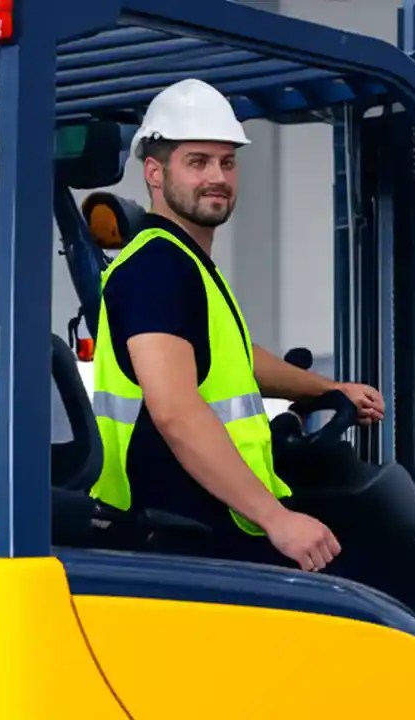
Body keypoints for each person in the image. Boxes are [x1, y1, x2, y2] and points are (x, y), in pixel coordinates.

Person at [88, 78, 385, 573]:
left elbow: (238, 358)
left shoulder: (187, 263)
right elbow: (176, 411)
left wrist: (326, 390)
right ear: (155, 174)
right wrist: (278, 519)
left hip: (209, 523)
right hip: (181, 535)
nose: (218, 177)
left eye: (227, 162)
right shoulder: (158, 267)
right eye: (198, 162)